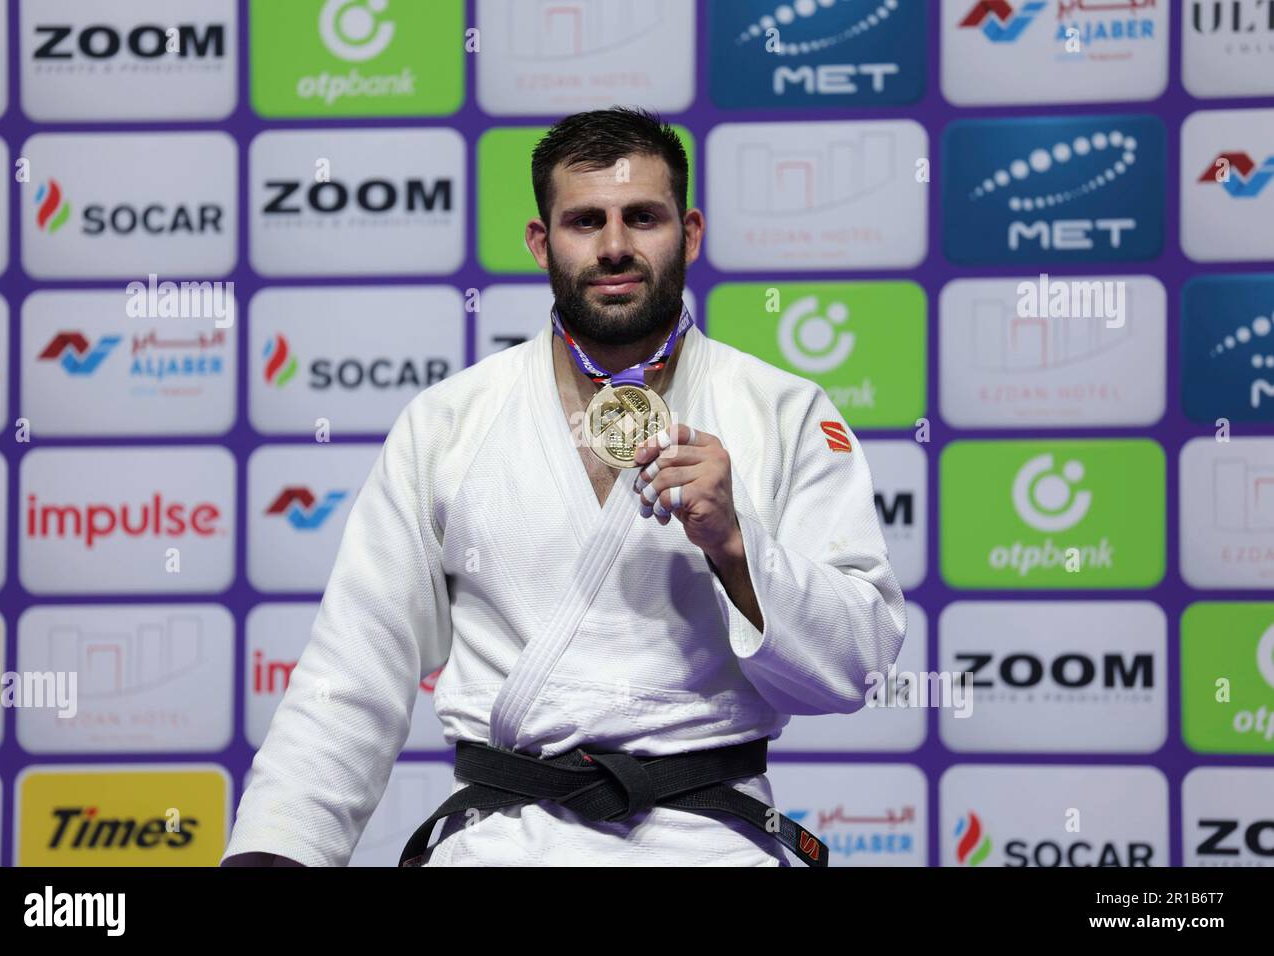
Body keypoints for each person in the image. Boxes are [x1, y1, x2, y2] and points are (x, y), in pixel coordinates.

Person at [222, 106, 906, 867]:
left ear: (692, 232)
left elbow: (859, 666)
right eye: (586, 221)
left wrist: (736, 542)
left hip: (708, 845)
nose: (615, 247)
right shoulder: (450, 421)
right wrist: (277, 853)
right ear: (542, 242)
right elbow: (355, 666)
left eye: (642, 217)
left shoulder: (782, 411)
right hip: (503, 846)